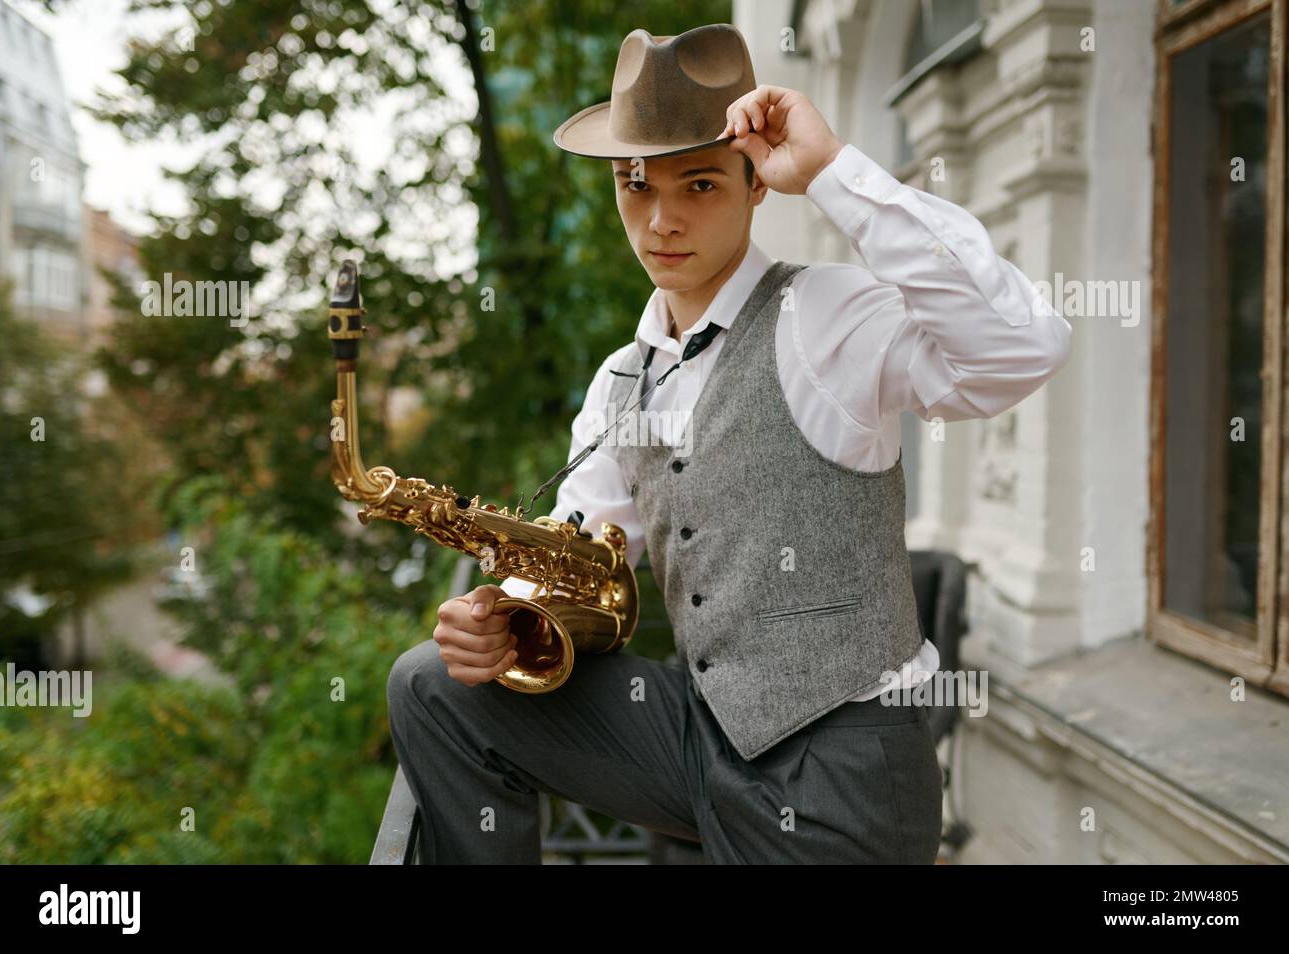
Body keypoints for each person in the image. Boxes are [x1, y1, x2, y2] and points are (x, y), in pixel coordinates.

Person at [388, 22, 1072, 864]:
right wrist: (503, 615)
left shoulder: (823, 316)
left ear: (758, 185)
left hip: (843, 770)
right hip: (703, 745)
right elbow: (577, 560)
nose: (662, 219)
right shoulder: (620, 382)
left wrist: (833, 174)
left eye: (701, 184)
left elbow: (1020, 347)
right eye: (636, 186)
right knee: (431, 685)